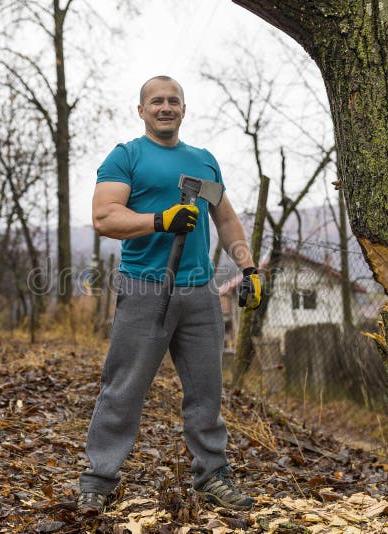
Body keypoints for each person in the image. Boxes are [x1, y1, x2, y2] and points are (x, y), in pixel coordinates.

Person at [78, 75, 262, 515]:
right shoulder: (127, 157)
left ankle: (212, 476)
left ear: (183, 109)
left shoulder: (203, 162)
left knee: (206, 392)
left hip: (200, 293)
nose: (165, 107)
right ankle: (98, 480)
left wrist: (249, 268)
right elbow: (105, 217)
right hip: (145, 289)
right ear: (141, 110)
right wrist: (160, 220)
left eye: (173, 101)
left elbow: (227, 220)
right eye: (156, 101)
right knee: (123, 390)